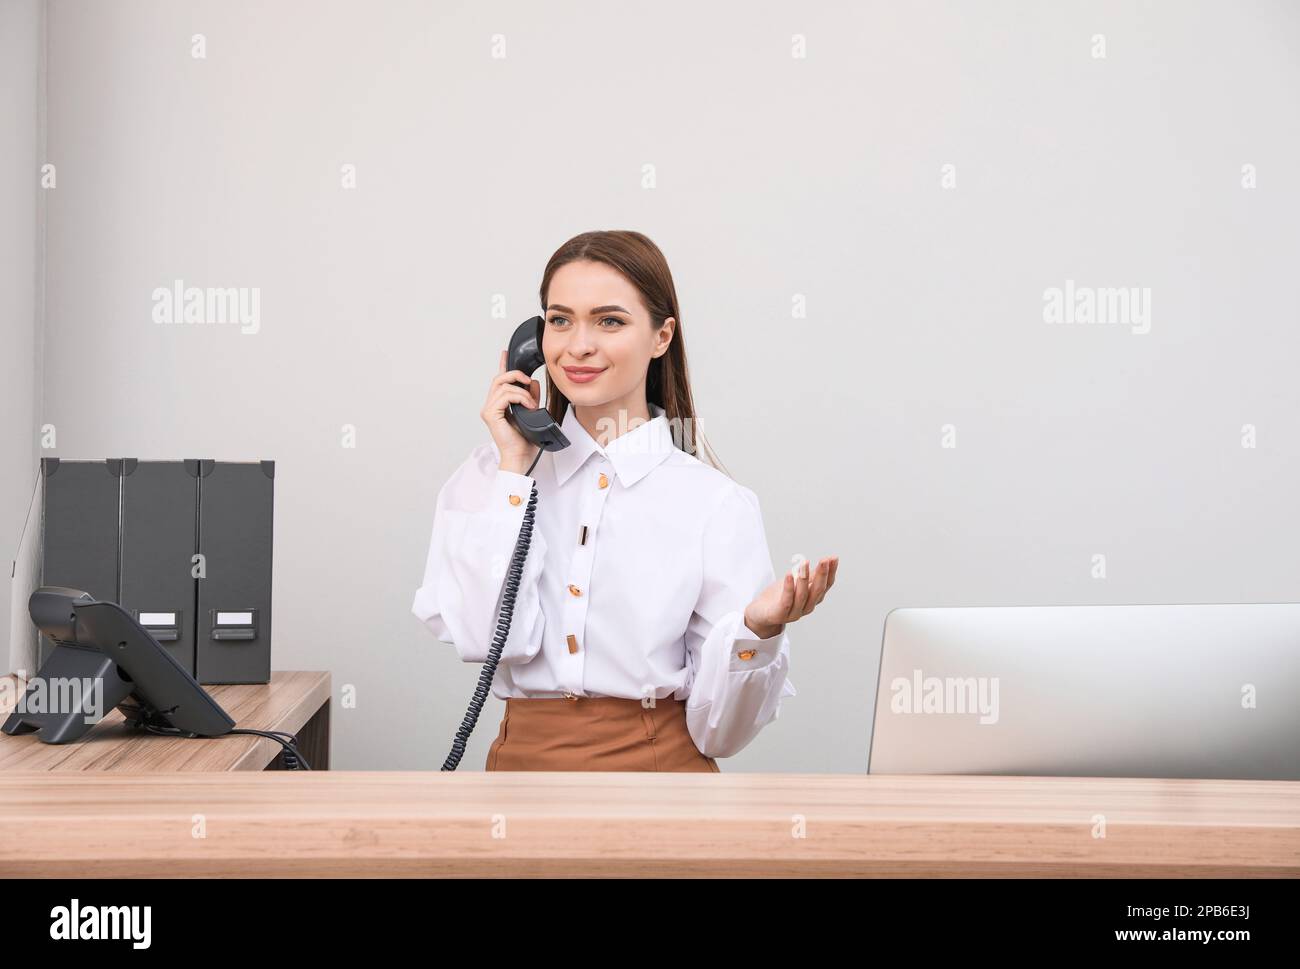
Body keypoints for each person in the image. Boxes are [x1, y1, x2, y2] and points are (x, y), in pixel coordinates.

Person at [412, 230, 837, 771]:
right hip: (520, 777)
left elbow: (721, 735)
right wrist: (515, 473)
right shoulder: (491, 479)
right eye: (560, 320)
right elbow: (487, 637)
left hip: (662, 777)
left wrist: (757, 630)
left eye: (609, 321)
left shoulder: (715, 503)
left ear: (661, 337)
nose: (578, 345)